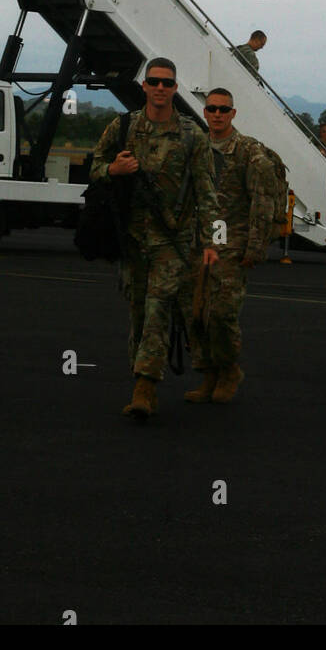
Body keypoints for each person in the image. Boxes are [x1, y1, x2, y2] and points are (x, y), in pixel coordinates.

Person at [89, 58, 220, 419]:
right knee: (138, 310)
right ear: (143, 86)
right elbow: (95, 167)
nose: (161, 88)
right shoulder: (123, 127)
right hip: (130, 238)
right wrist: (114, 169)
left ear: (176, 88)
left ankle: (145, 385)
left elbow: (207, 191)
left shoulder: (192, 135)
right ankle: (141, 374)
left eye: (167, 83)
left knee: (158, 306)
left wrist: (210, 243)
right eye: (154, 82)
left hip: (171, 241)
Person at [183, 89, 275, 405]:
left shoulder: (250, 151)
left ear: (233, 113)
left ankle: (229, 370)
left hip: (232, 246)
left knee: (222, 314)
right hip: (197, 245)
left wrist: (256, 247)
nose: (218, 114)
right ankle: (208, 374)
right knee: (196, 315)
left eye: (224, 109)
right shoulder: (195, 147)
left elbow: (263, 201)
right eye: (212, 108)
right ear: (205, 112)